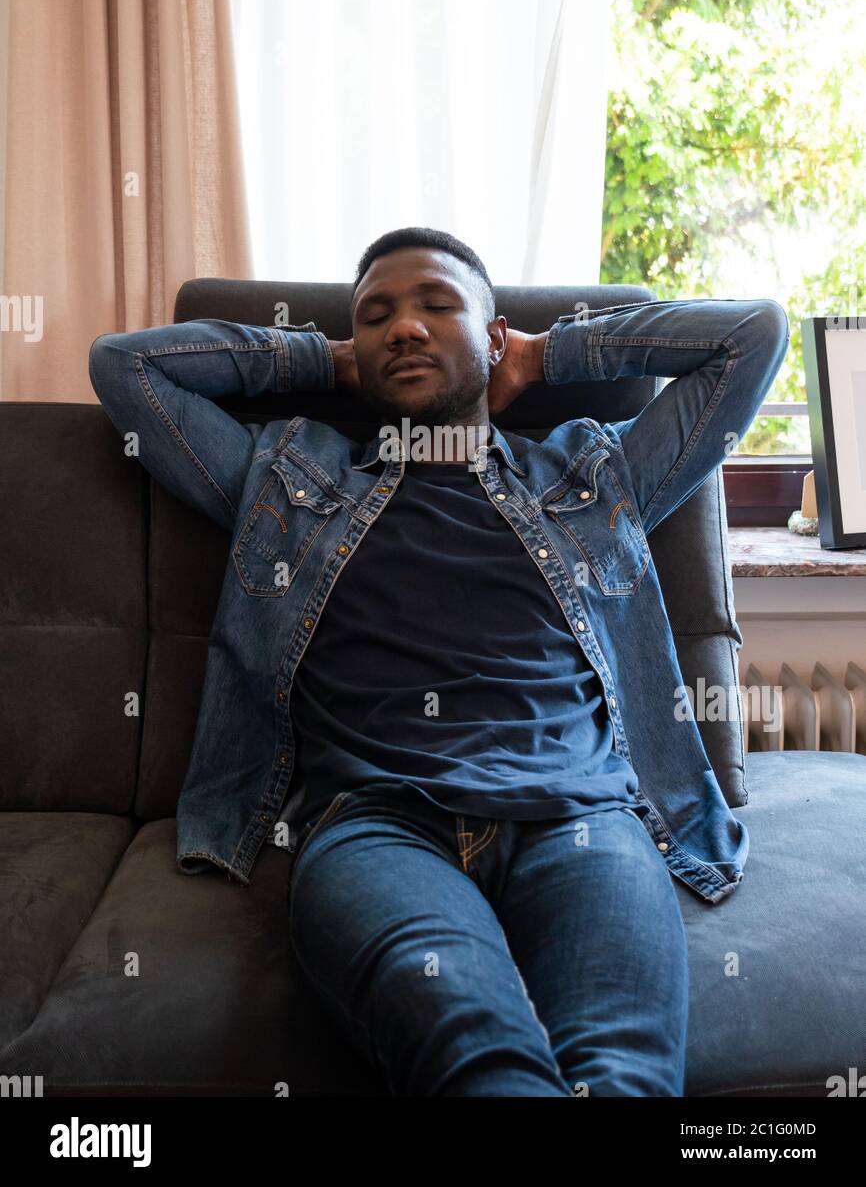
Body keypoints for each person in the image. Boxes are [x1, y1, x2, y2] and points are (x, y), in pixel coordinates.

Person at [88, 225, 790, 1097]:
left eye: (436, 305)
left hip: (579, 821)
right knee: (479, 1060)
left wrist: (545, 354)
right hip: (378, 828)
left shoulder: (588, 479)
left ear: (491, 337)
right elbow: (125, 368)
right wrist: (323, 360)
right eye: (376, 316)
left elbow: (754, 334)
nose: (404, 328)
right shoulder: (288, 484)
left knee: (624, 1077)